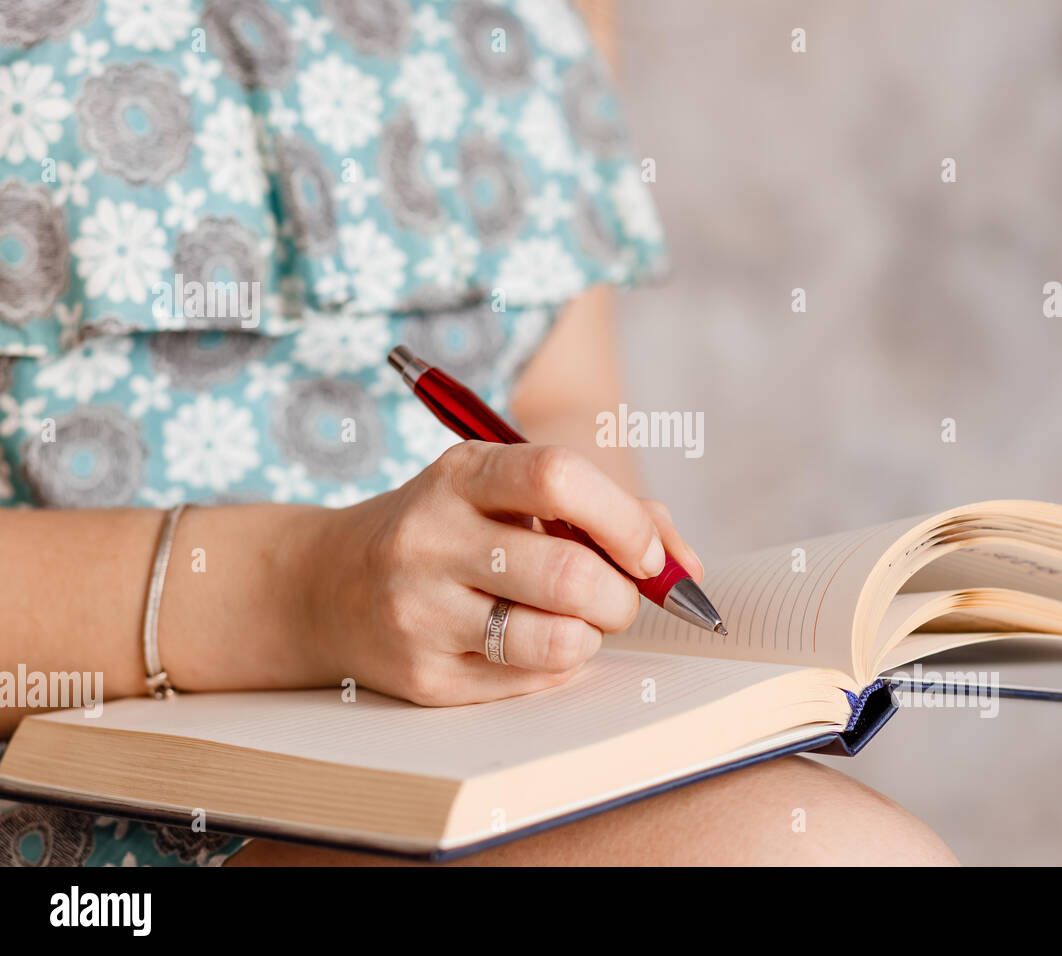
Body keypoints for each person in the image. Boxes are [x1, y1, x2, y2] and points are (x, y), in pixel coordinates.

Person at [0, 0, 956, 866]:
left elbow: (555, 398)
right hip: (82, 790)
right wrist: (309, 592)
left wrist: (555, 578)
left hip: (462, 749)